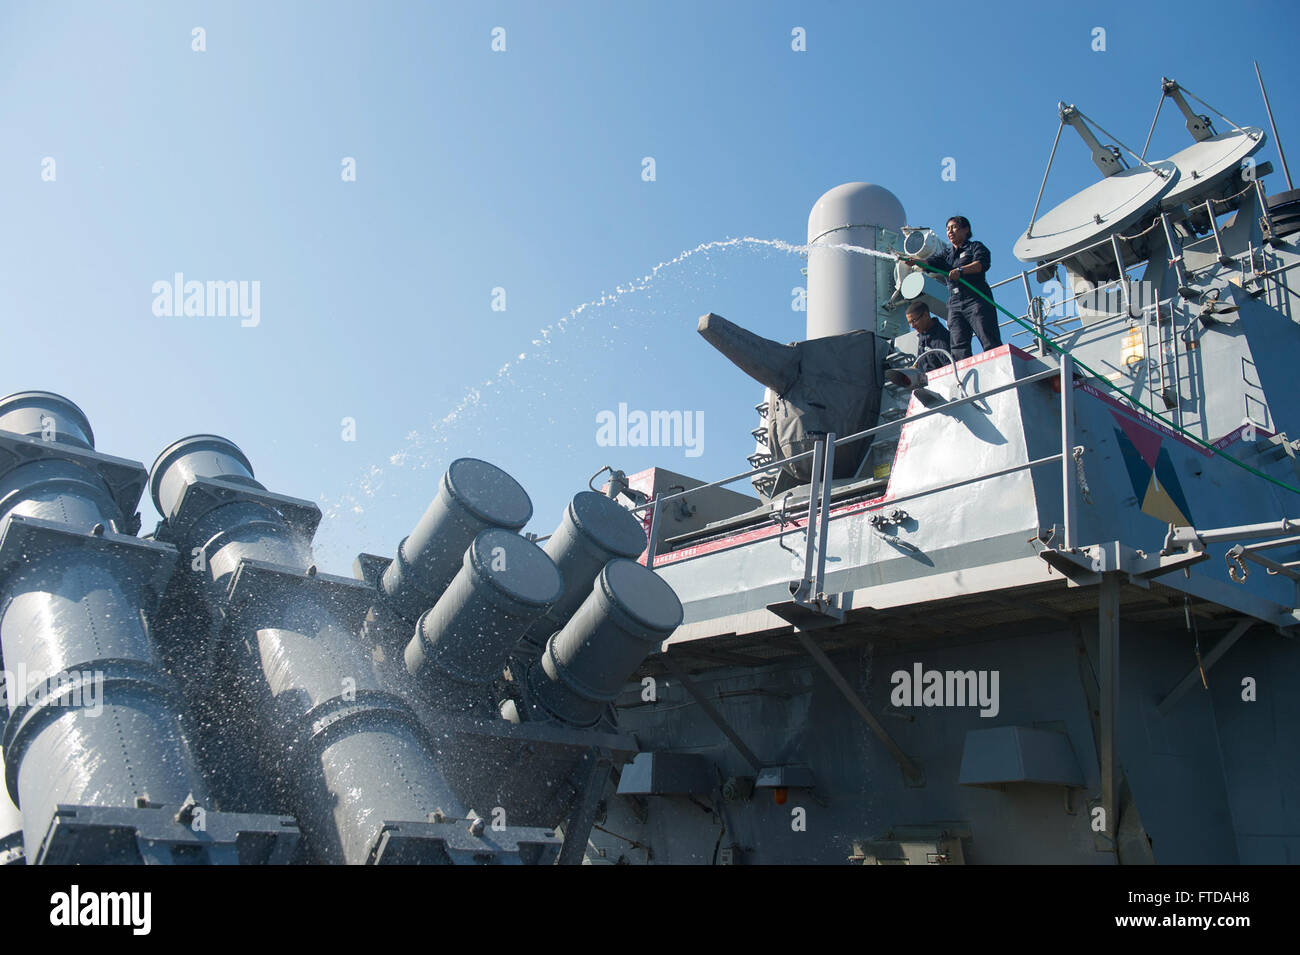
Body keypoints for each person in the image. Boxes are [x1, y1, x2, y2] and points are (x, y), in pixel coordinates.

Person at [901, 216, 1001, 362]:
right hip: (955, 303)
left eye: (954, 227)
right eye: (947, 229)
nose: (950, 231)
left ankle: (998, 364)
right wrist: (915, 262)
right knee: (958, 344)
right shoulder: (946, 255)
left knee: (988, 337)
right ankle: (963, 375)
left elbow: (981, 264)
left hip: (975, 299)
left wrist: (960, 271)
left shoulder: (975, 247)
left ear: (966, 229)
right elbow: (930, 263)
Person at [904, 301, 953, 373]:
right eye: (909, 323)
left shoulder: (942, 339)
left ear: (926, 315)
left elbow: (950, 367)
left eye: (914, 321)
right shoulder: (923, 337)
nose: (912, 326)